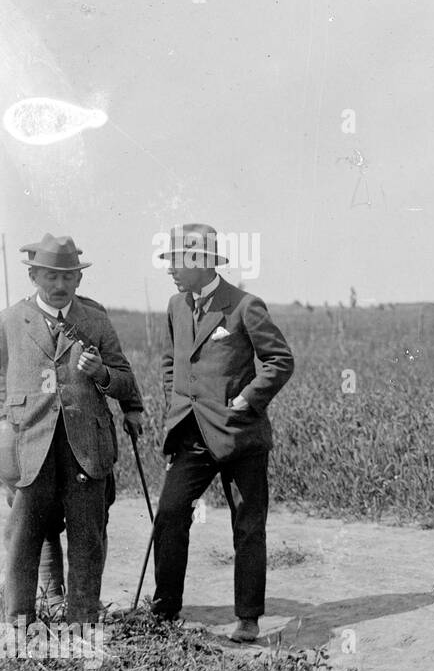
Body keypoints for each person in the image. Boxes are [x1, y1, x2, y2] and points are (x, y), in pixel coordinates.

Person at [149, 224, 295, 643]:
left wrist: (249, 398)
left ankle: (248, 618)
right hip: (191, 436)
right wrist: (175, 407)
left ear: (201, 262)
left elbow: (280, 360)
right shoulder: (177, 305)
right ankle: (165, 611)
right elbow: (170, 364)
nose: (170, 270)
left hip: (239, 436)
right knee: (171, 515)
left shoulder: (245, 306)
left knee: (248, 527)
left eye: (176, 261)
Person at [0, 234, 141, 625]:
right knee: (23, 534)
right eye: (50, 277)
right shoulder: (10, 321)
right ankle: (19, 620)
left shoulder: (95, 320)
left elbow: (126, 380)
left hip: (86, 444)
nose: (59, 286)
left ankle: (82, 620)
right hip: (29, 443)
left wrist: (103, 375)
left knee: (87, 536)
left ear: (79, 280)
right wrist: (5, 421)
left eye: (67, 277)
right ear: (33, 276)